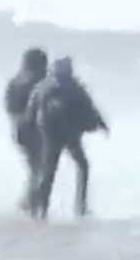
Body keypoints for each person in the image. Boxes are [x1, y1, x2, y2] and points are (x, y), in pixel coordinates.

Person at [25, 56, 108, 219]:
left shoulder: (42, 86)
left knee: (48, 171)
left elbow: (31, 111)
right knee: (83, 167)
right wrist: (101, 124)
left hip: (50, 134)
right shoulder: (74, 86)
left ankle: (42, 210)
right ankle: (80, 207)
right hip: (71, 134)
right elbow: (89, 106)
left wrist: (30, 131)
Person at [4, 48, 50, 212]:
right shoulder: (38, 82)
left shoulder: (14, 82)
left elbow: (8, 108)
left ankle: (28, 203)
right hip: (33, 130)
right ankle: (29, 205)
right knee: (38, 169)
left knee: (34, 168)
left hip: (18, 129)